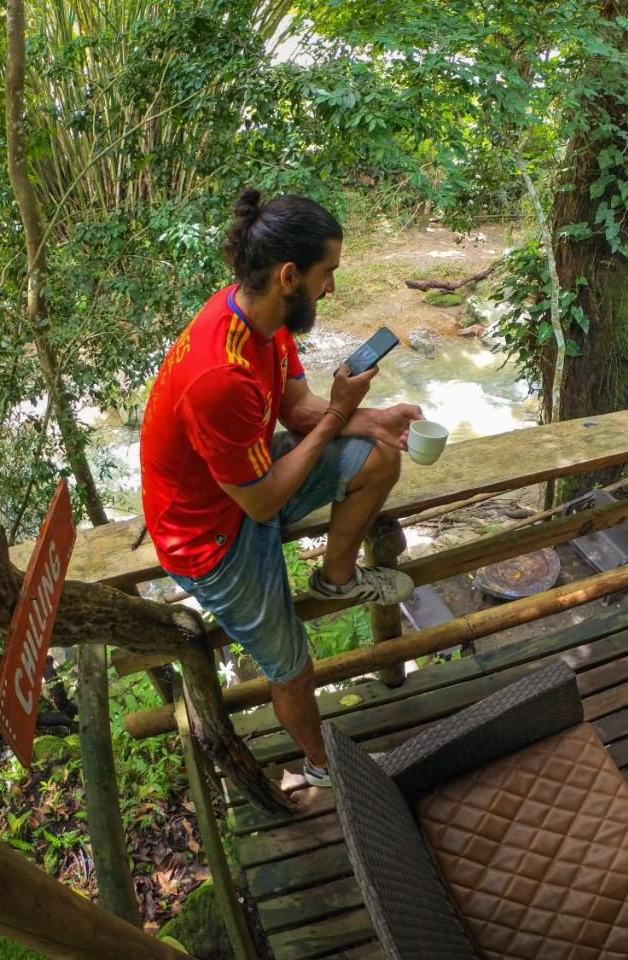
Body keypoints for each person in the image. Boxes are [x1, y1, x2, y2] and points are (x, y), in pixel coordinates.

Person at [140, 188, 423, 788]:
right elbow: (263, 501)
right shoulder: (220, 375)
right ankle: (326, 770)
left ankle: (337, 577)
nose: (332, 289)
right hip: (210, 538)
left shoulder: (260, 319)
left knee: (379, 455)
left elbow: (296, 408)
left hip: (246, 483)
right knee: (292, 667)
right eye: (328, 275)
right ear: (289, 275)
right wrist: (337, 417)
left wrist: (372, 417)